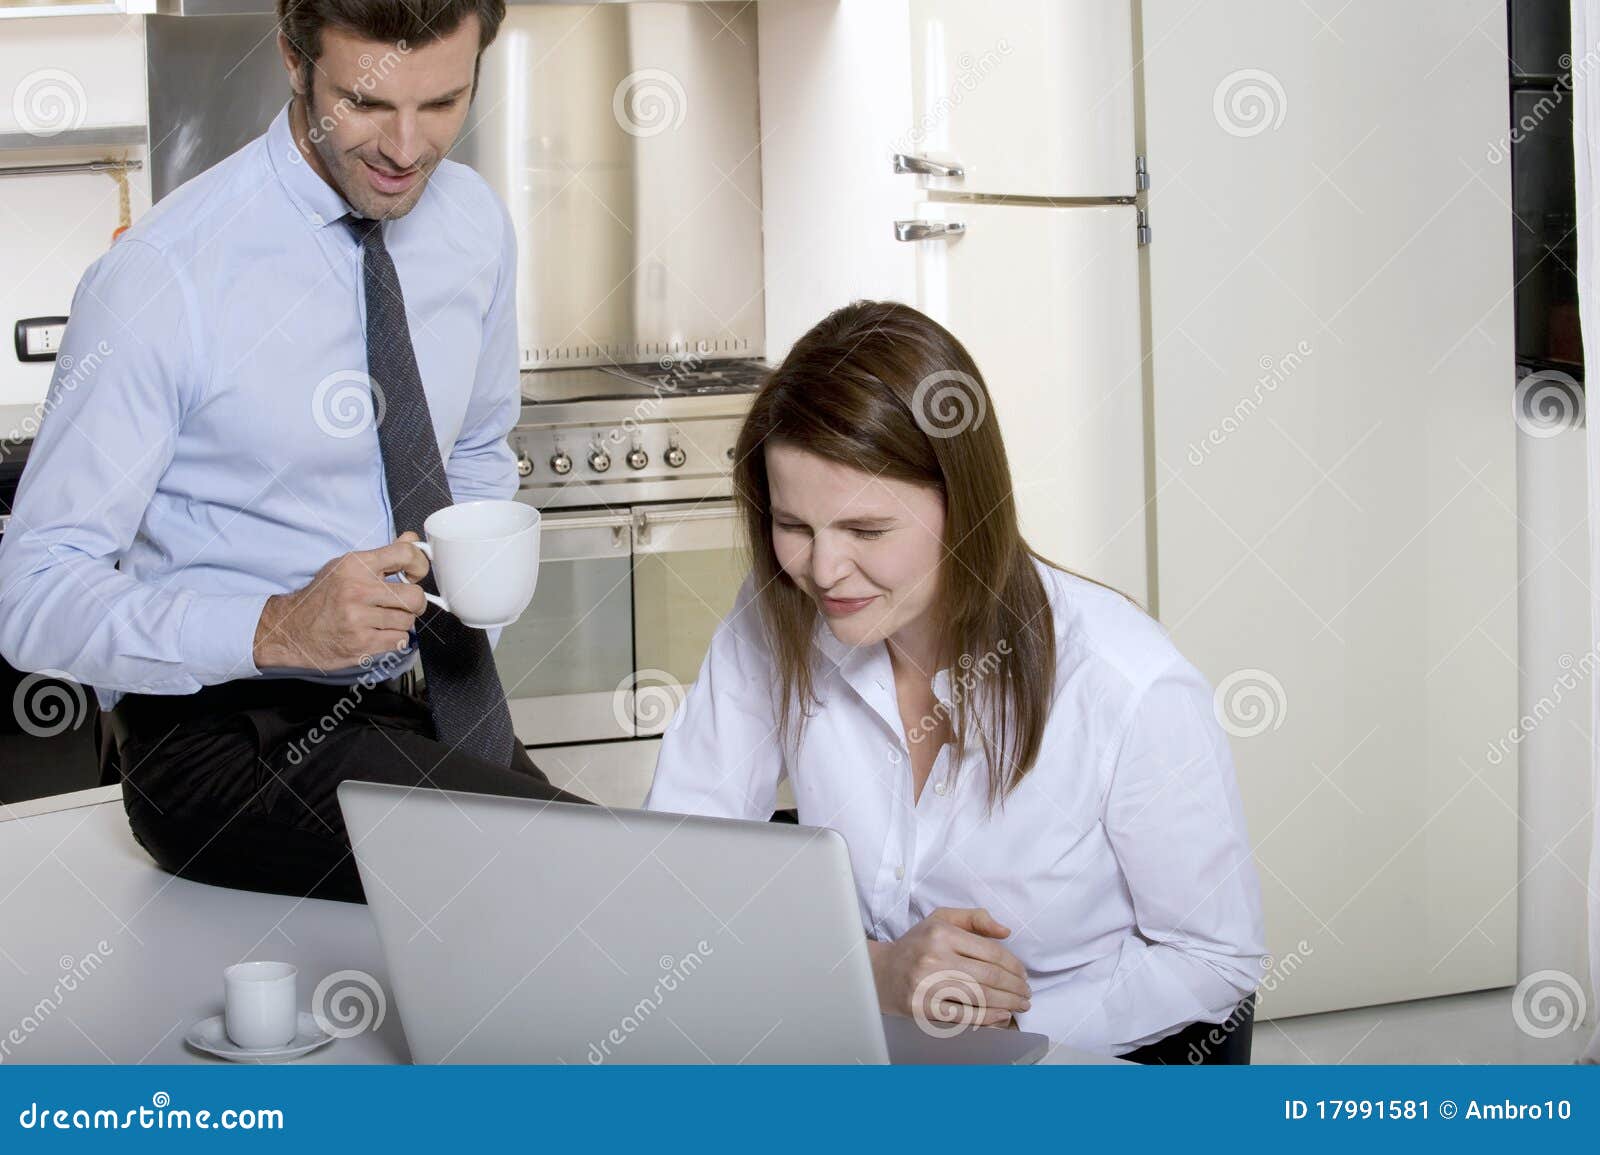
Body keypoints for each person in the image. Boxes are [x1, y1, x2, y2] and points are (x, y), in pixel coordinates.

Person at [0, 0, 585, 904]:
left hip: (420, 698)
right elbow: (33, 589)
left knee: (623, 878)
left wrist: (465, 589)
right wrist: (277, 626)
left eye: (442, 104)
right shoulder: (164, 275)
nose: (405, 148)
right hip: (222, 736)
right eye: (364, 102)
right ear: (293, 60)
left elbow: (474, 447)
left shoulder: (472, 225)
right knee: (570, 881)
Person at [645, 300, 1267, 1057]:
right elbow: (681, 867)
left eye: (867, 530)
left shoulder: (1129, 688)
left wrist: (1007, 1029)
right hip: (864, 1048)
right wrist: (874, 972)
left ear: (965, 505)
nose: (823, 569)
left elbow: (1215, 957)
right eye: (793, 526)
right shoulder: (776, 610)